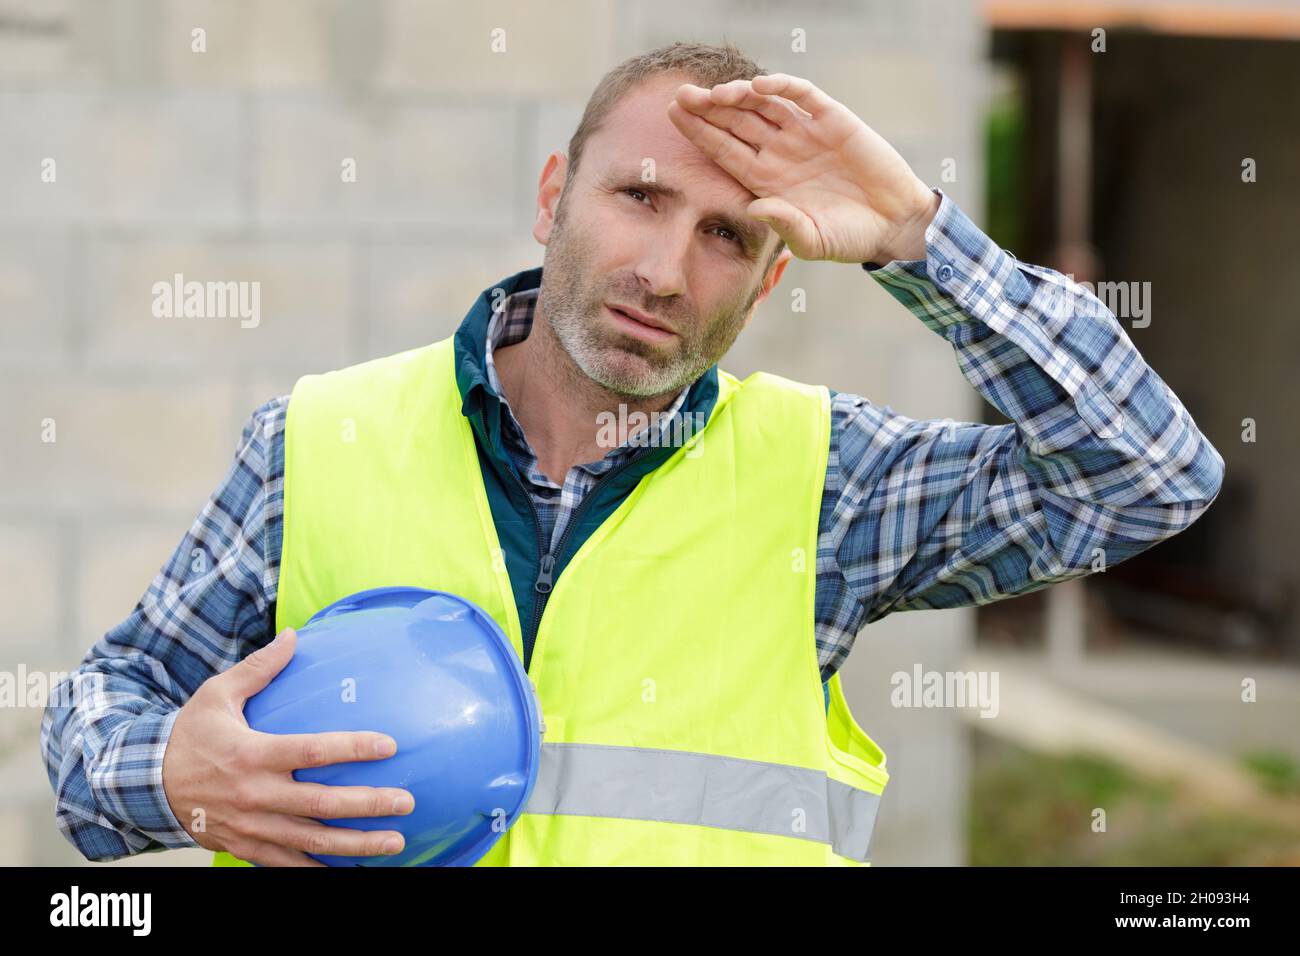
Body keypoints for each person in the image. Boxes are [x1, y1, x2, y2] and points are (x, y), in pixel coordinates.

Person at [41, 41, 1224, 866]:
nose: (665, 270)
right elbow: (97, 713)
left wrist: (922, 239)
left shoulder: (832, 483)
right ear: (555, 195)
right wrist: (172, 775)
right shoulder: (317, 441)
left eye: (725, 235)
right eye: (640, 197)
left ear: (769, 280)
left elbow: (1148, 471)